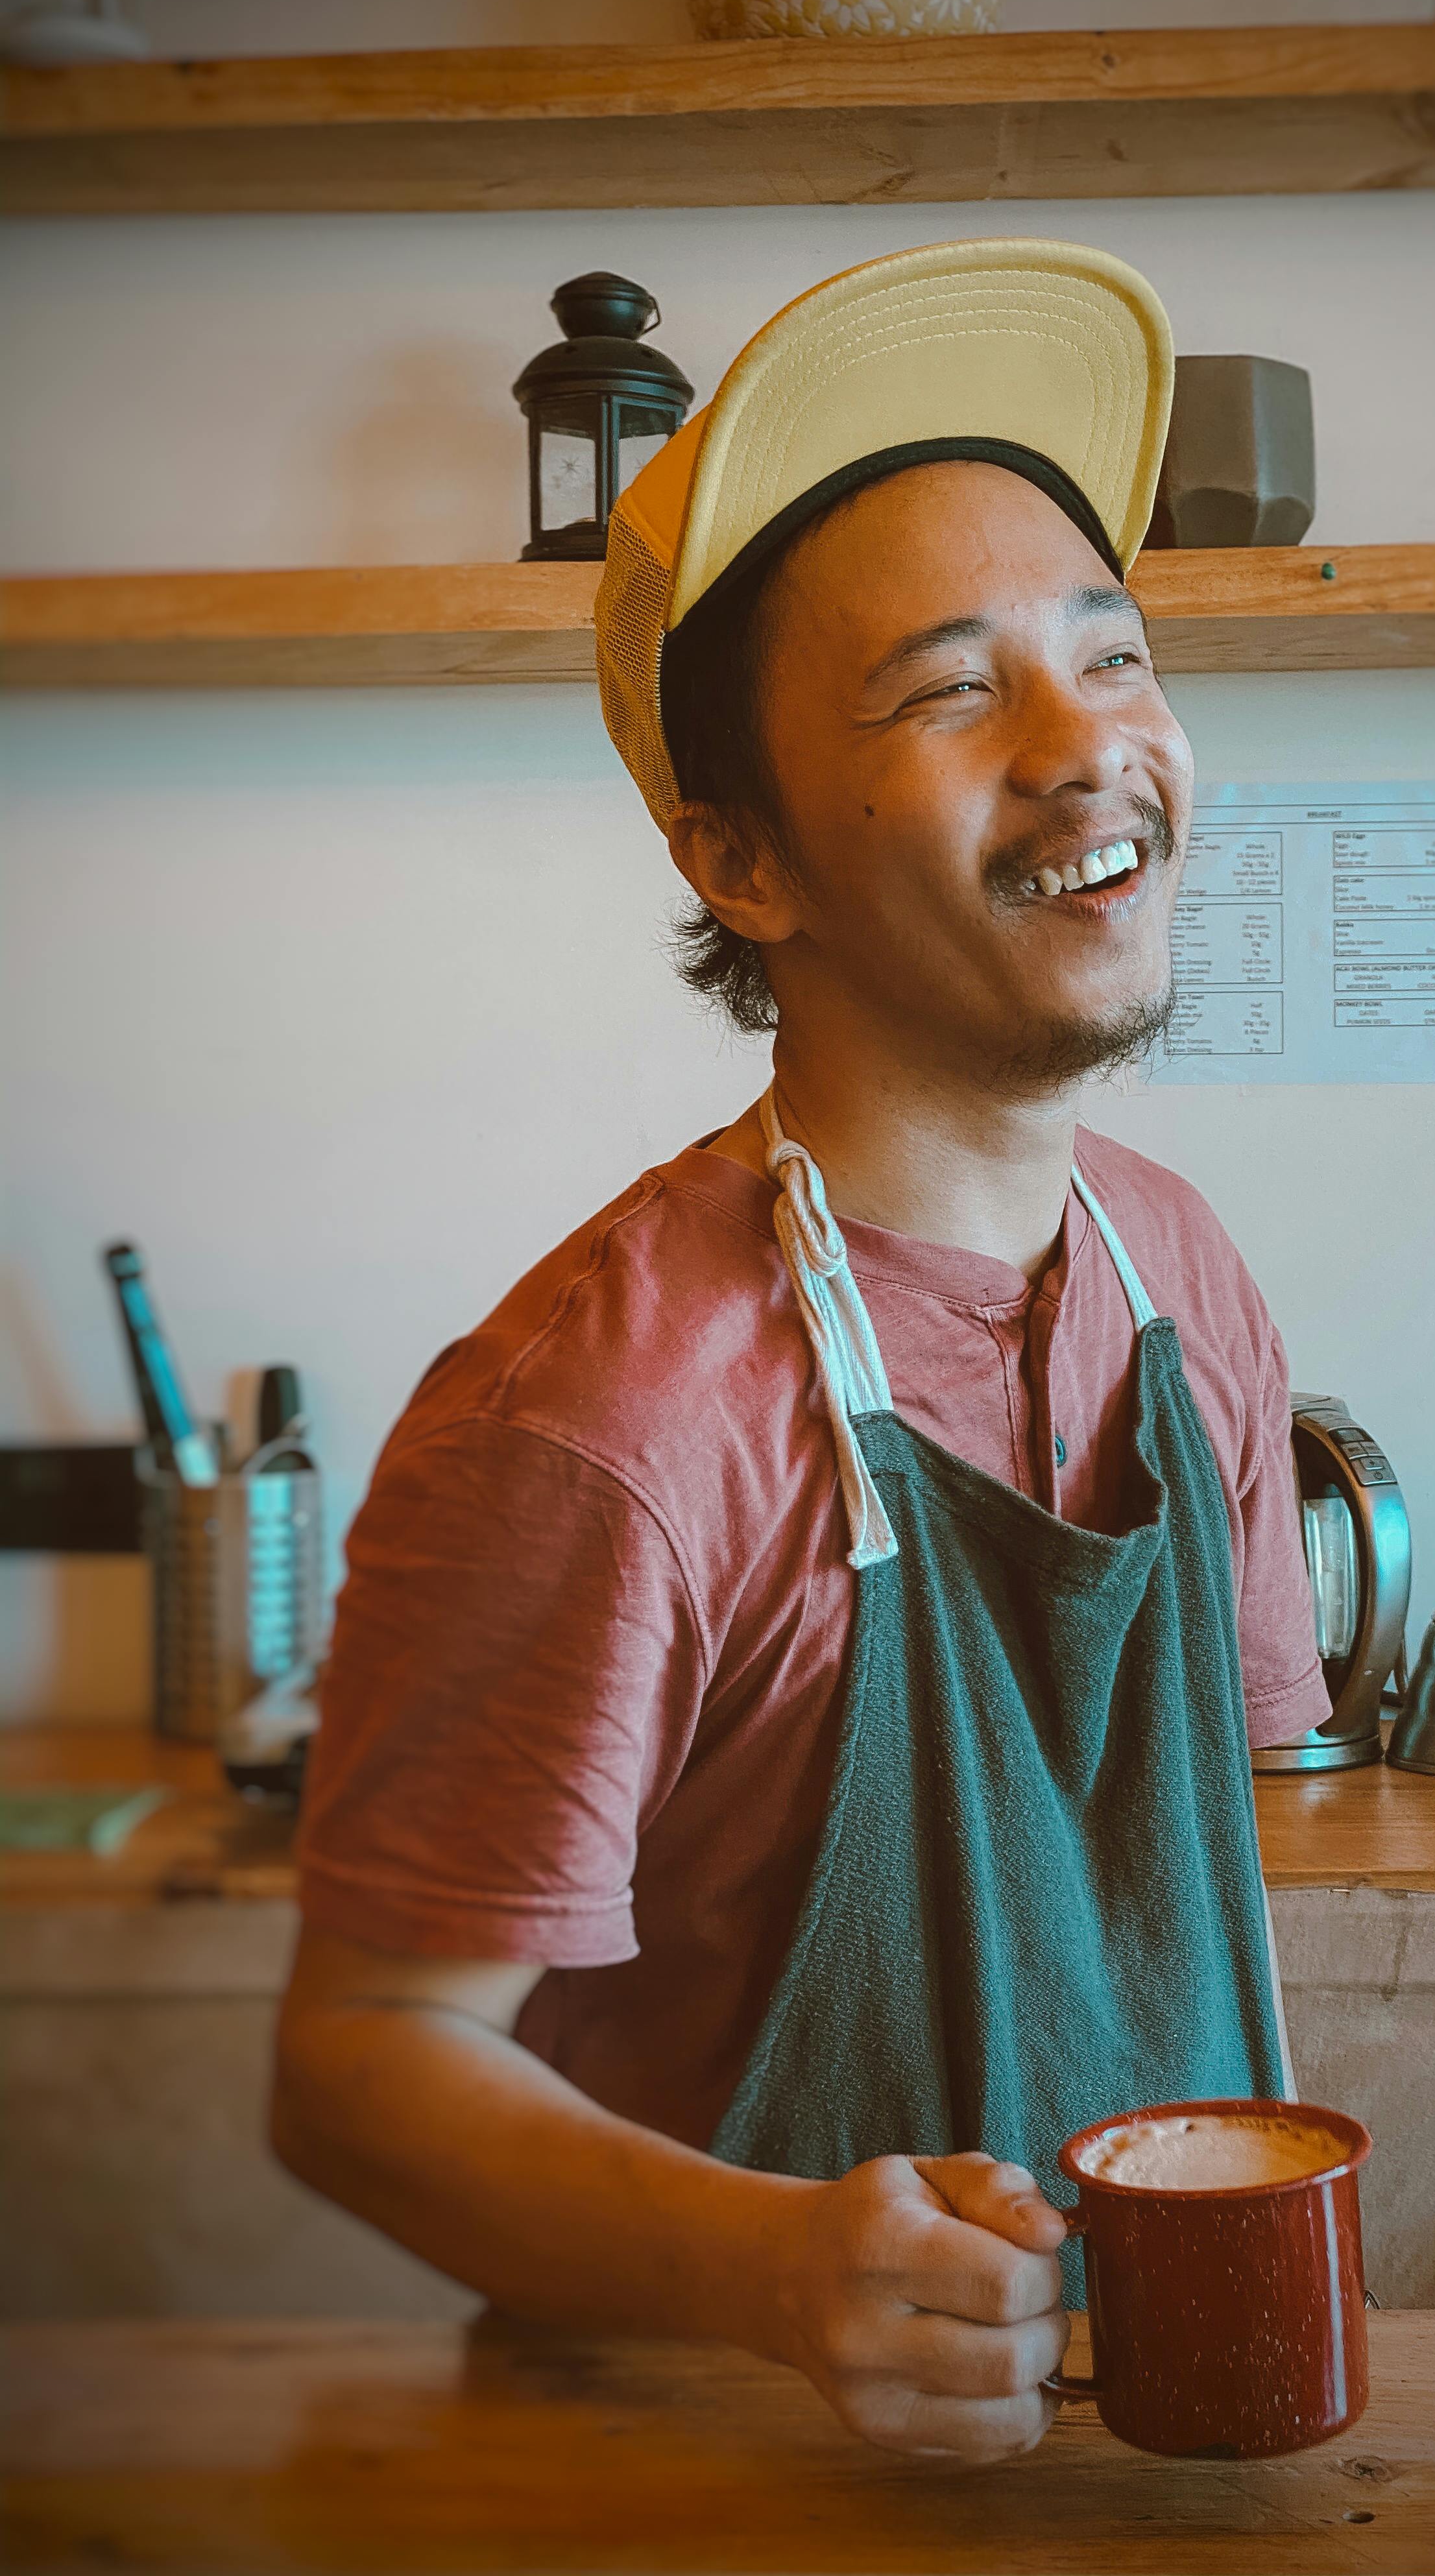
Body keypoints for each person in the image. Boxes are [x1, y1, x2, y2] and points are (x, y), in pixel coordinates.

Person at [274, 239, 1329, 2466]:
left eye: (1113, 654)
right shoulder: (603, 1416)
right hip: (715, 2478)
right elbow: (360, 2073)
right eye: (952, 694)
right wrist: (771, 2273)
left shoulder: (1183, 1278)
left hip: (1153, 2460)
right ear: (739, 860)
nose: (1089, 748)